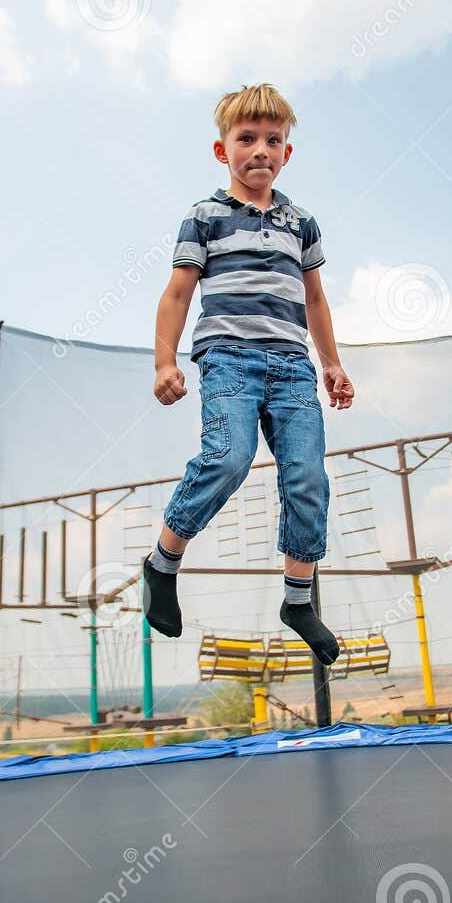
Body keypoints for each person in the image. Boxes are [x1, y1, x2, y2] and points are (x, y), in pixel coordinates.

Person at [142, 83, 354, 666]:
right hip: (229, 358)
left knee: (308, 477)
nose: (260, 149)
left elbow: (315, 301)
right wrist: (166, 360)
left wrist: (331, 362)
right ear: (222, 151)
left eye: (273, 140)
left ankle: (298, 598)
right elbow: (178, 292)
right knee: (229, 458)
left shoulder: (302, 223)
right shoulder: (204, 216)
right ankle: (163, 563)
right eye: (246, 139)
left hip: (293, 368)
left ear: (287, 152)